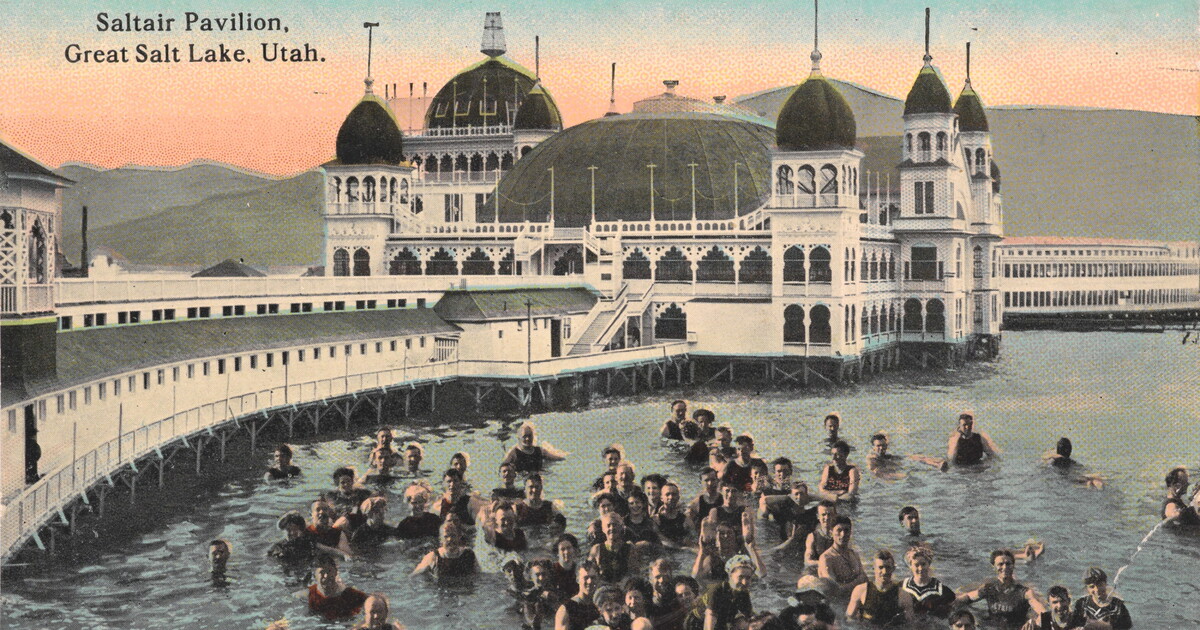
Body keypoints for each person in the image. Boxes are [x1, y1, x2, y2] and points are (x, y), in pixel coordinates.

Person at [955, 549, 1047, 627]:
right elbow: (967, 598)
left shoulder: (1025, 593)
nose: (1005, 567)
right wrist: (953, 602)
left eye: (1008, 564)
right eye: (1000, 564)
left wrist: (1034, 623)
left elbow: (1044, 613)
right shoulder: (989, 589)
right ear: (994, 567)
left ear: (1013, 566)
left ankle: (1030, 559)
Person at [695, 555, 756, 630]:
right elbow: (709, 621)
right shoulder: (717, 590)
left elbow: (749, 616)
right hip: (699, 623)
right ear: (730, 575)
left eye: (748, 578)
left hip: (721, 622)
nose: (744, 582)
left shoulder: (743, 593)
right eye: (740, 577)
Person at [810, 516, 867, 596]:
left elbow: (865, 579)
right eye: (839, 530)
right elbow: (835, 590)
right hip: (839, 601)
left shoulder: (854, 554)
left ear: (850, 533)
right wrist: (858, 581)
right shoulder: (826, 558)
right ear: (831, 533)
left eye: (846, 530)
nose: (843, 534)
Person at [846, 549, 904, 625]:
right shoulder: (861, 591)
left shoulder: (903, 595)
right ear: (874, 568)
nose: (884, 572)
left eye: (888, 567)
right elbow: (849, 619)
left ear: (893, 569)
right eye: (881, 567)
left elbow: (910, 625)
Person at [899, 545, 956, 621]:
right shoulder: (901, 587)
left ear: (929, 564)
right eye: (916, 565)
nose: (920, 568)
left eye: (923, 564)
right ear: (910, 566)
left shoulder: (942, 591)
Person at [307, 554, 368, 621]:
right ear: (314, 576)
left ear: (335, 572)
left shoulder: (351, 596)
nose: (326, 576)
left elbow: (371, 602)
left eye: (329, 571)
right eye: (322, 572)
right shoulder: (309, 595)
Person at [412, 521, 478, 580]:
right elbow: (413, 577)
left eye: (453, 535)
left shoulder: (468, 554)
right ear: (441, 540)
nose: (450, 539)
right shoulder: (433, 557)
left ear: (459, 537)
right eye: (446, 536)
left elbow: (479, 576)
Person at [763, 480, 818, 551]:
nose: (799, 497)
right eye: (796, 494)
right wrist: (788, 497)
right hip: (782, 548)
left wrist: (809, 497)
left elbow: (830, 499)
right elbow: (765, 500)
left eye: (802, 494)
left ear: (807, 495)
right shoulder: (784, 512)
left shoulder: (811, 514)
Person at [589, 513, 641, 584]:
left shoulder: (629, 548)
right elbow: (589, 572)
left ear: (622, 527)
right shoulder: (596, 549)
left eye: (615, 525)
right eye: (608, 525)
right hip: (603, 586)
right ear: (603, 529)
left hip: (624, 586)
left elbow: (635, 574)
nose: (612, 528)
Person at [504, 422, 569, 472]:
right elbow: (503, 467)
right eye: (524, 436)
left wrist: (566, 459)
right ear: (519, 438)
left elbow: (555, 458)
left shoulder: (539, 451)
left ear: (533, 436)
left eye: (529, 436)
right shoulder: (513, 454)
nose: (527, 439)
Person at [555, 561, 601, 630]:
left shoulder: (602, 607)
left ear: (598, 579)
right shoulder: (565, 610)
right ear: (577, 579)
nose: (589, 581)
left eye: (593, 577)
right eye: (586, 578)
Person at [523, 559, 562, 630]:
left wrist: (551, 597)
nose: (541, 578)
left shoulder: (558, 591)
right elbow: (530, 619)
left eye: (544, 574)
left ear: (548, 575)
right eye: (537, 575)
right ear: (531, 577)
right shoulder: (529, 596)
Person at [803, 501, 838, 568]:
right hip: (816, 570)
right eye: (823, 514)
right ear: (818, 516)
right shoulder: (812, 536)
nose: (827, 518)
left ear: (835, 516)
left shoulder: (840, 536)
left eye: (830, 514)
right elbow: (807, 562)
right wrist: (825, 563)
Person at [551, 534, 582, 599]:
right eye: (562, 549)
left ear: (574, 550)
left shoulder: (580, 570)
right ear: (557, 553)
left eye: (569, 548)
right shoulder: (551, 570)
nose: (566, 552)